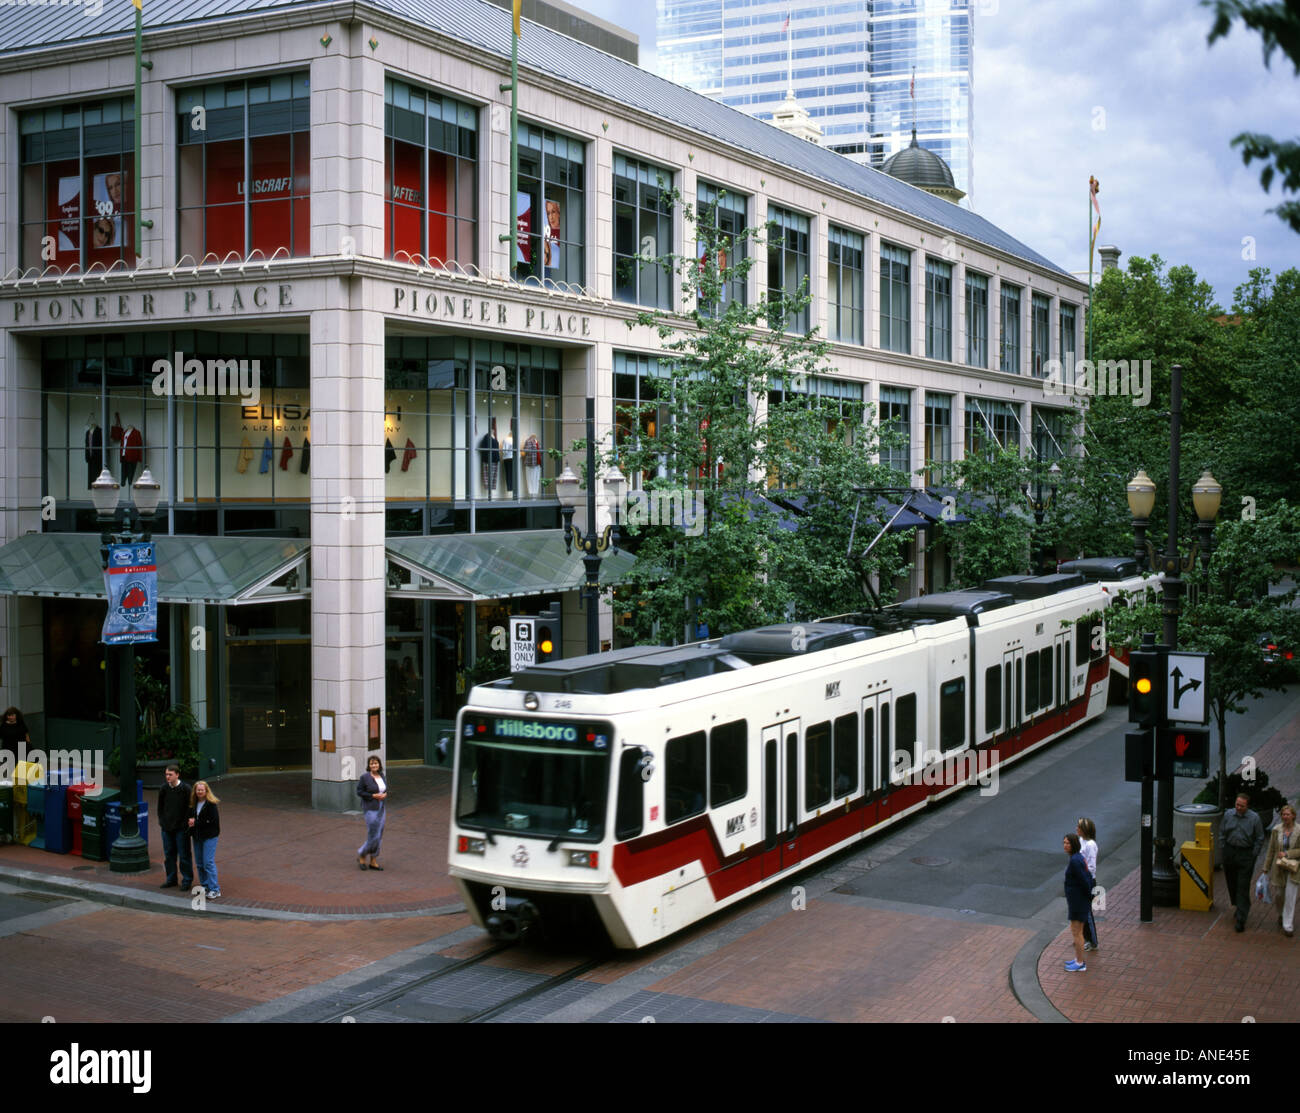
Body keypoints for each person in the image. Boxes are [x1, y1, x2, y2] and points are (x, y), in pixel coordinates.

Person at [1221, 792, 1265, 932]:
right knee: (1232, 882)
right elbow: (1222, 832)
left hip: (1246, 854)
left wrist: (1253, 855)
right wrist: (1223, 848)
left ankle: (1241, 917)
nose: (1238, 807)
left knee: (1243, 886)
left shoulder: (1254, 818)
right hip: (1230, 851)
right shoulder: (1228, 814)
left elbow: (1259, 837)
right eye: (1237, 804)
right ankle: (1238, 904)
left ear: (1247, 806)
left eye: (1242, 806)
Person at [1262, 803, 1299, 938]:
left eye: (1288, 814)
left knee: (1290, 896)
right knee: (1279, 894)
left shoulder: (1299, 831)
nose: (1285, 817)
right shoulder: (1276, 830)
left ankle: (1288, 925)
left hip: (1294, 868)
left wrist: (1288, 854)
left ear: (1293, 816)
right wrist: (1265, 868)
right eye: (1283, 814)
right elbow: (1271, 850)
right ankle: (1281, 914)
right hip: (1279, 867)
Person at [157, 764, 194, 891]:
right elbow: (160, 807)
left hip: (181, 829)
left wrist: (184, 824)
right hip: (167, 828)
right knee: (169, 855)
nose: (167, 777)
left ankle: (187, 880)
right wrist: (162, 822)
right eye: (166, 774)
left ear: (177, 775)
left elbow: (190, 807)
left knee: (184, 855)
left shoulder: (186, 789)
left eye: (170, 774)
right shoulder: (163, 789)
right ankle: (171, 879)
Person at [1062, 832, 1092, 972]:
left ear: (1074, 844)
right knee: (1077, 931)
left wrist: (1086, 897)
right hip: (1078, 900)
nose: (1065, 845)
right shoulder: (1078, 858)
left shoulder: (1075, 861)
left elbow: (1084, 881)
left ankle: (1080, 962)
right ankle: (1078, 959)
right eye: (1064, 843)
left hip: (1078, 901)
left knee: (1077, 932)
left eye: (1068, 843)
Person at [187, 781, 221, 899]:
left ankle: (215, 889)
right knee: (200, 863)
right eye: (198, 790)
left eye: (202, 790)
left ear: (206, 791)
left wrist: (196, 822)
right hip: (197, 837)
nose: (200, 792)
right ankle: (205, 886)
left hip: (209, 836)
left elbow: (213, 822)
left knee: (208, 862)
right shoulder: (193, 804)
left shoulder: (211, 804)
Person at [356, 755, 388, 870]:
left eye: (376, 763)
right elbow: (359, 792)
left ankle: (373, 860)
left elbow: (384, 789)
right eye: (372, 763)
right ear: (369, 766)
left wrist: (385, 794)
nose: (374, 765)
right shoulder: (365, 777)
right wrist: (372, 795)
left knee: (379, 834)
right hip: (370, 808)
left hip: (381, 807)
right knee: (373, 835)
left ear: (379, 764)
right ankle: (362, 854)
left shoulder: (382, 775)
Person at [1077, 816, 1099, 951]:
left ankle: (1093, 940)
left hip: (1087, 881)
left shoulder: (1091, 845)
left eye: (1079, 827)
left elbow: (1091, 867)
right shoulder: (1081, 841)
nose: (1076, 829)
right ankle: (1084, 938)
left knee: (1086, 912)